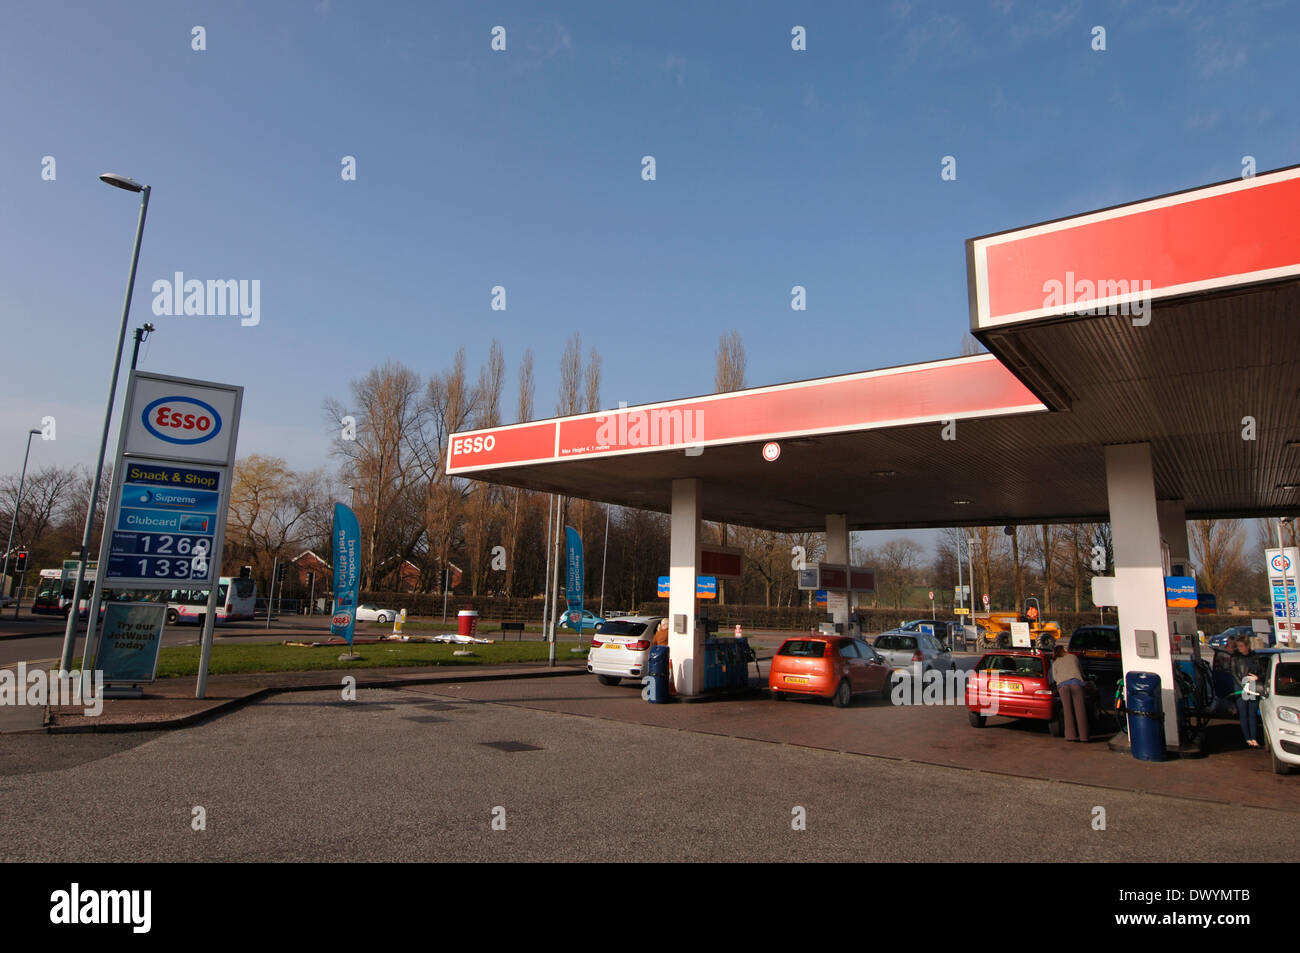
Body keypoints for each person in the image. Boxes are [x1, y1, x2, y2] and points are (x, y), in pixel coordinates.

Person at [1231, 636, 1266, 747]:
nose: (1239, 648)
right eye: (1238, 646)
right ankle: (1247, 738)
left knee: (1252, 713)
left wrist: (1257, 677)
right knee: (1243, 713)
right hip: (1240, 685)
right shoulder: (1235, 657)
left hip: (1253, 685)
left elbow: (1262, 671)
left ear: (1247, 646)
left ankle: (1254, 738)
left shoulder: (1255, 656)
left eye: (1241, 646)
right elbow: (1233, 672)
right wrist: (1242, 685)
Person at [1051, 645, 1089, 742]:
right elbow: (1080, 671)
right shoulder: (1073, 657)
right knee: (1080, 710)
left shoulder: (1055, 661)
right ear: (1064, 650)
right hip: (1076, 683)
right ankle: (1084, 737)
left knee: (1067, 711)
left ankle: (1070, 736)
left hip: (1063, 686)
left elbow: (1055, 677)